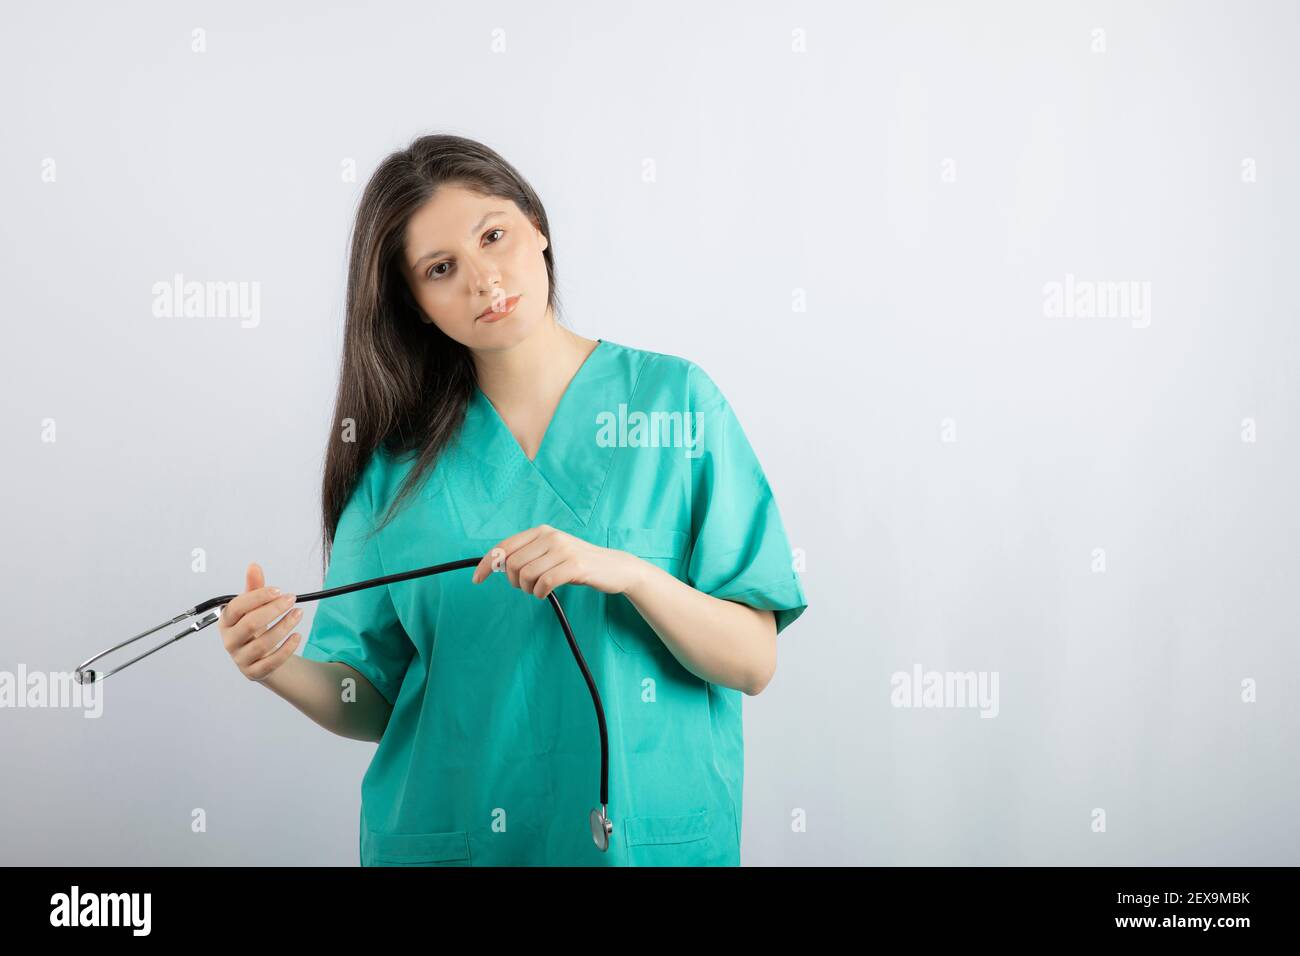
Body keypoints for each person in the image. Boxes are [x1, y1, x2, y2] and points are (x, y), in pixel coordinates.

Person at [215, 133, 808, 866]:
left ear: (539, 228)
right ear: (419, 307)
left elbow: (753, 661)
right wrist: (278, 667)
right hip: (452, 840)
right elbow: (368, 698)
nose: (483, 279)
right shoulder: (395, 466)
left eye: (494, 235)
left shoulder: (675, 405)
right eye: (441, 269)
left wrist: (629, 574)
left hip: (641, 842)